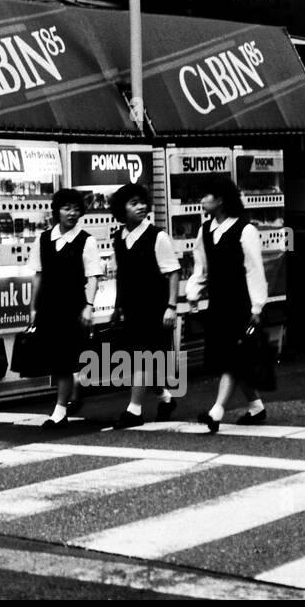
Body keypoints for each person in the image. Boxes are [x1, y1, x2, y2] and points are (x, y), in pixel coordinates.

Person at [186, 175, 269, 433]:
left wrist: (257, 307)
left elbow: (254, 270)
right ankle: (256, 407)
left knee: (230, 359)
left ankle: (216, 411)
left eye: (206, 195)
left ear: (220, 200)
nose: (201, 200)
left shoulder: (246, 230)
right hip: (219, 303)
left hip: (241, 304)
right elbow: (202, 267)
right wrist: (193, 294)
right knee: (235, 358)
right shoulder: (205, 231)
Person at [28, 188, 102, 430]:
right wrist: (33, 307)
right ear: (56, 211)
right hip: (49, 305)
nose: (72, 213)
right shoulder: (43, 239)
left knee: (64, 357)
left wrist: (88, 307)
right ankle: (75, 384)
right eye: (66, 208)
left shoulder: (86, 240)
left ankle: (60, 411)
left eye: (76, 208)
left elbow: (92, 277)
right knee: (58, 357)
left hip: (73, 305)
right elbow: (38, 275)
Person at [108, 183, 181, 428]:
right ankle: (165, 398)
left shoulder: (157, 236)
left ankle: (134, 410)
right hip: (131, 308)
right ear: (122, 209)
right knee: (144, 357)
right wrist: (117, 307)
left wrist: (171, 306)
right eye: (133, 203)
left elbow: (173, 273)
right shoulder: (119, 237)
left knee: (142, 356)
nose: (141, 207)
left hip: (155, 307)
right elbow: (121, 275)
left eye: (142, 202)